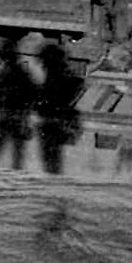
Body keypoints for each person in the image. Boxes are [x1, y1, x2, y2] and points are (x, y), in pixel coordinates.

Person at [0, 36, 35, 171]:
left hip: (4, 118)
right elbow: (30, 96)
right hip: (17, 118)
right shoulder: (22, 72)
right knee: (17, 155)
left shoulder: (4, 74)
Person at [35, 44, 81, 175]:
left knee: (51, 155)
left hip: (53, 118)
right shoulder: (63, 73)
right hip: (58, 117)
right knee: (53, 156)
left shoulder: (53, 74)